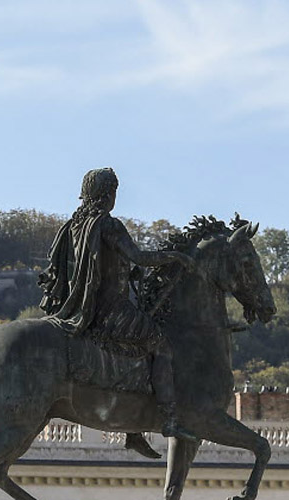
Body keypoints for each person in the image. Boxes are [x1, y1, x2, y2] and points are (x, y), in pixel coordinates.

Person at [39, 167, 195, 441]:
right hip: (109, 308)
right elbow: (139, 256)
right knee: (160, 344)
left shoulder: (73, 225)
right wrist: (175, 257)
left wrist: (124, 271)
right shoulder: (108, 224)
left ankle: (134, 429)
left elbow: (95, 264)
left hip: (80, 305)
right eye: (114, 192)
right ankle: (168, 420)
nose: (114, 198)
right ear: (107, 194)